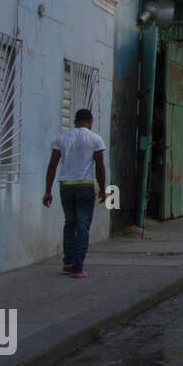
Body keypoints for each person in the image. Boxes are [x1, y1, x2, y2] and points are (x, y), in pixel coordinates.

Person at [42, 108, 107, 279]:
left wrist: (48, 191)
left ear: (75, 121)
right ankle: (78, 268)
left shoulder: (62, 139)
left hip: (66, 186)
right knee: (83, 226)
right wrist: (103, 188)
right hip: (85, 186)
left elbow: (52, 166)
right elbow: (100, 166)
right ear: (90, 121)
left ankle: (68, 262)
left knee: (70, 223)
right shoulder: (95, 139)